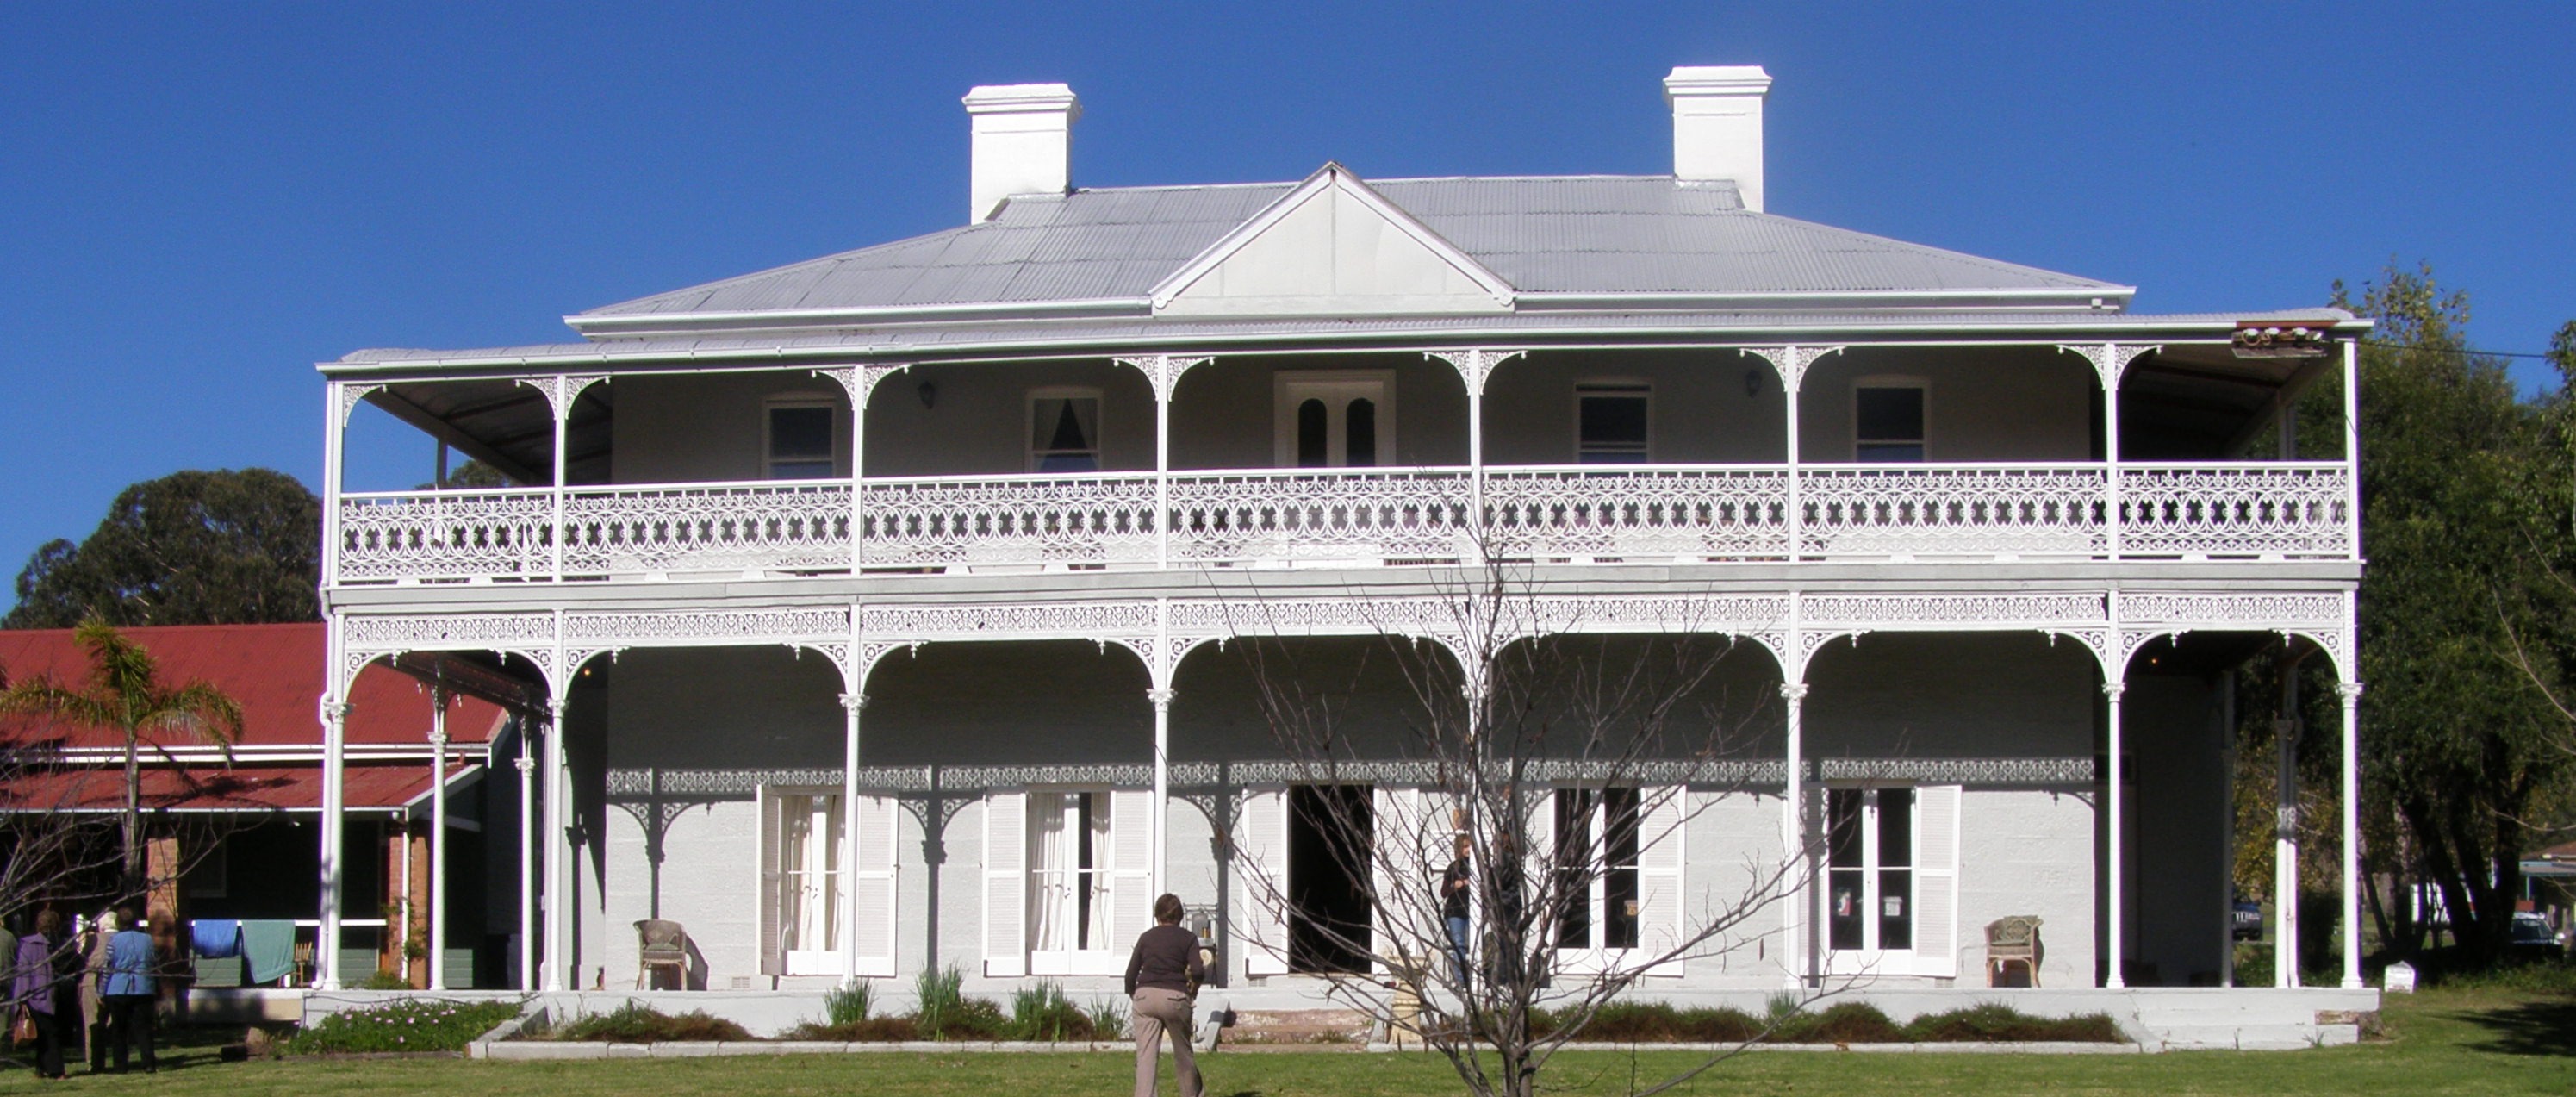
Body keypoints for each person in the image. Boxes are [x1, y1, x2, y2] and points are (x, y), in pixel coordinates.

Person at [1123, 893, 1204, 1097]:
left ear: (1157, 916)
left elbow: (1130, 975)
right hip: (1174, 998)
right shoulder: (1188, 938)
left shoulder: (1146, 938)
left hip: (1144, 997)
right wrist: (1193, 991)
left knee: (1146, 1056)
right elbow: (1197, 971)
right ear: (1180, 917)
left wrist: (1136, 996)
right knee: (1183, 1053)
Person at [11, 908, 69, 1079]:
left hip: (36, 995)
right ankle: (56, 1070)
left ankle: (42, 1068)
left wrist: (21, 998)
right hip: (46, 995)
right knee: (50, 1034)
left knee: (44, 1034)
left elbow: (23, 973)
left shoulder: (29, 945)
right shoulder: (57, 944)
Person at [97, 907, 154, 1074]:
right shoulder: (148, 939)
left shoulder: (114, 941)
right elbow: (154, 962)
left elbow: (108, 967)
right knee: (144, 1028)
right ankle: (148, 1063)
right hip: (143, 987)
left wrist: (101, 991)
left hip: (118, 987)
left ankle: (120, 1065)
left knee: (119, 1030)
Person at [78, 910, 115, 1074]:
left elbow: (82, 957)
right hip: (115, 982)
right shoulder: (121, 939)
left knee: (91, 1023)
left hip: (92, 982)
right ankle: (117, 1059)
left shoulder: (94, 939)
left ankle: (93, 1061)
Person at [1440, 834, 1473, 985]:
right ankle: (1460, 979)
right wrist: (1456, 886)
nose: (1468, 850)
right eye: (1465, 846)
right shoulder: (1453, 868)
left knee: (1477, 943)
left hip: (1473, 910)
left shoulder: (1478, 868)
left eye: (1470, 846)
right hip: (1455, 910)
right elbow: (1443, 892)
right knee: (1459, 943)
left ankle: (1477, 977)